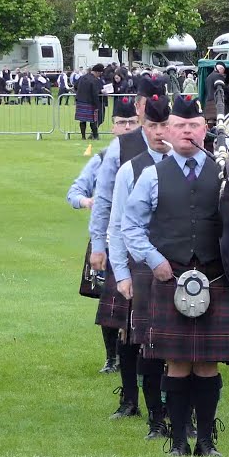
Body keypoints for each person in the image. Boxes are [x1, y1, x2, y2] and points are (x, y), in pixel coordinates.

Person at [123, 95, 229, 456]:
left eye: (193, 125)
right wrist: (154, 260)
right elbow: (131, 226)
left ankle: (205, 441)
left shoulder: (228, 171)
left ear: (205, 130)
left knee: (207, 364)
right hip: (170, 277)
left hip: (216, 277)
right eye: (179, 125)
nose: (186, 131)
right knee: (176, 363)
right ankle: (177, 441)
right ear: (167, 131)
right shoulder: (152, 175)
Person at [89, 77, 160, 419]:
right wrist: (98, 244)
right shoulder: (121, 147)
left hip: (164, 249)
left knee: (158, 330)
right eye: (147, 102)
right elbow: (104, 200)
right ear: (138, 105)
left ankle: (162, 401)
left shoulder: (175, 146)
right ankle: (129, 399)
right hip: (128, 250)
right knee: (127, 328)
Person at [107, 91, 174, 438]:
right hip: (145, 267)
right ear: (143, 128)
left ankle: (182, 416)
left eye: (165, 125)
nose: (160, 132)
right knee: (149, 346)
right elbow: (118, 225)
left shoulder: (193, 164)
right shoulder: (130, 170)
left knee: (182, 350)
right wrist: (121, 273)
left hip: (184, 266)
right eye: (153, 126)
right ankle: (156, 420)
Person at [69, 96, 140, 373]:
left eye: (132, 122)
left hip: (136, 238)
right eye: (122, 123)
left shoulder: (147, 158)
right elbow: (74, 192)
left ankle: (136, 354)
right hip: (107, 237)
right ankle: (112, 358)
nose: (127, 127)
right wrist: (87, 201)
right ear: (112, 127)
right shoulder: (101, 159)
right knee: (109, 300)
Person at [75, 64, 105, 140]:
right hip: (90, 102)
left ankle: (83, 137)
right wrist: (97, 105)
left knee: (82, 120)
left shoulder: (82, 77)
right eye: (100, 73)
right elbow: (95, 93)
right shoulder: (94, 80)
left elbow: (75, 86)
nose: (100, 75)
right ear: (97, 72)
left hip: (80, 101)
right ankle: (95, 136)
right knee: (93, 120)